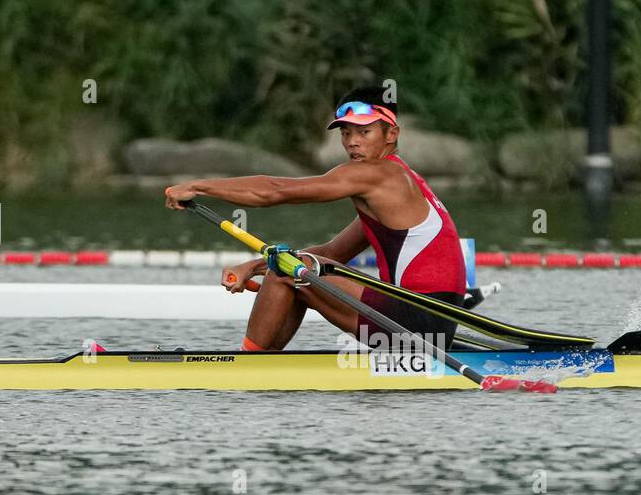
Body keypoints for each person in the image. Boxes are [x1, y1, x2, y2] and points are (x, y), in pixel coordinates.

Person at [164, 86, 465, 351]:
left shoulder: (379, 175)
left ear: (392, 134)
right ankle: (262, 363)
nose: (352, 142)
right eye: (346, 133)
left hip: (416, 322)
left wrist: (198, 186)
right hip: (432, 324)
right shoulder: (398, 188)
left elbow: (276, 192)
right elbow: (332, 254)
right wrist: (254, 266)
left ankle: (247, 364)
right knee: (289, 263)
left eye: (364, 132)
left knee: (286, 268)